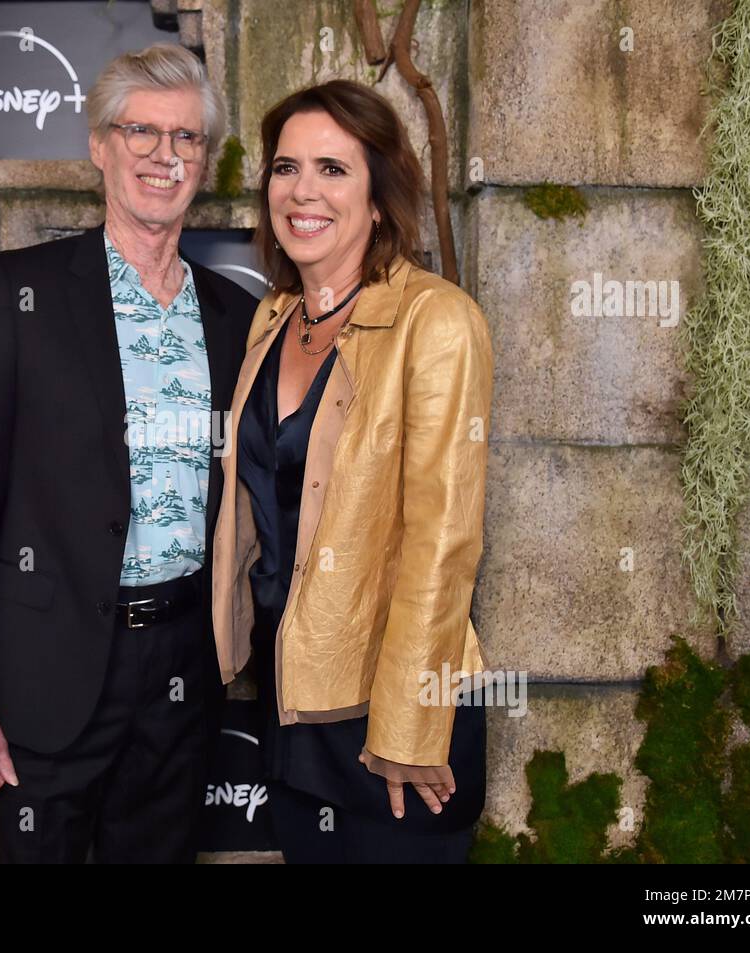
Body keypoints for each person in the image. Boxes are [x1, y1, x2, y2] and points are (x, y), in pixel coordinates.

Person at [0, 43, 256, 863]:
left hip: (184, 663)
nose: (162, 155)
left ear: (204, 162)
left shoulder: (235, 315)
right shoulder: (16, 291)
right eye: (138, 130)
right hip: (50, 667)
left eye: (184, 138)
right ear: (98, 145)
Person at [210, 80, 495, 863]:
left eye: (333, 169)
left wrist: (407, 727)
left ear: (378, 197)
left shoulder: (435, 320)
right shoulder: (273, 319)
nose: (303, 190)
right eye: (286, 167)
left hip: (394, 717)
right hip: (295, 699)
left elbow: (445, 537)